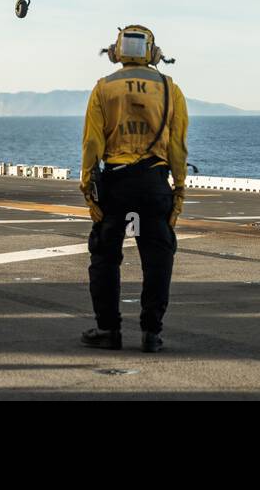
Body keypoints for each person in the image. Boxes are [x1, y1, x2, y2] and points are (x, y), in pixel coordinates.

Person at [79, 25, 188, 353]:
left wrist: (87, 185)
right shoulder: (171, 89)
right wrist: (179, 189)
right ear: (153, 53)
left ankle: (108, 330)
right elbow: (178, 146)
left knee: (105, 256)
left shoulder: (103, 88)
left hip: (115, 184)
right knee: (158, 258)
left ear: (117, 51)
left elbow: (92, 143)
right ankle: (151, 333)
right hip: (154, 184)